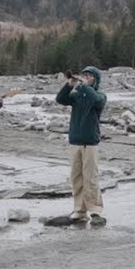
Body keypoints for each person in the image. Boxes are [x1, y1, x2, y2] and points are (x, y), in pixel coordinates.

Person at [56, 66, 107, 225]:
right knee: (76, 178)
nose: (85, 77)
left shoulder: (99, 95)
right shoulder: (77, 95)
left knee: (90, 177)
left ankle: (95, 211)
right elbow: (60, 99)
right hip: (75, 142)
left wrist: (84, 85)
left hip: (90, 142)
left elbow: (96, 101)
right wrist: (69, 85)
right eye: (84, 74)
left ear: (96, 79)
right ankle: (80, 210)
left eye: (89, 75)